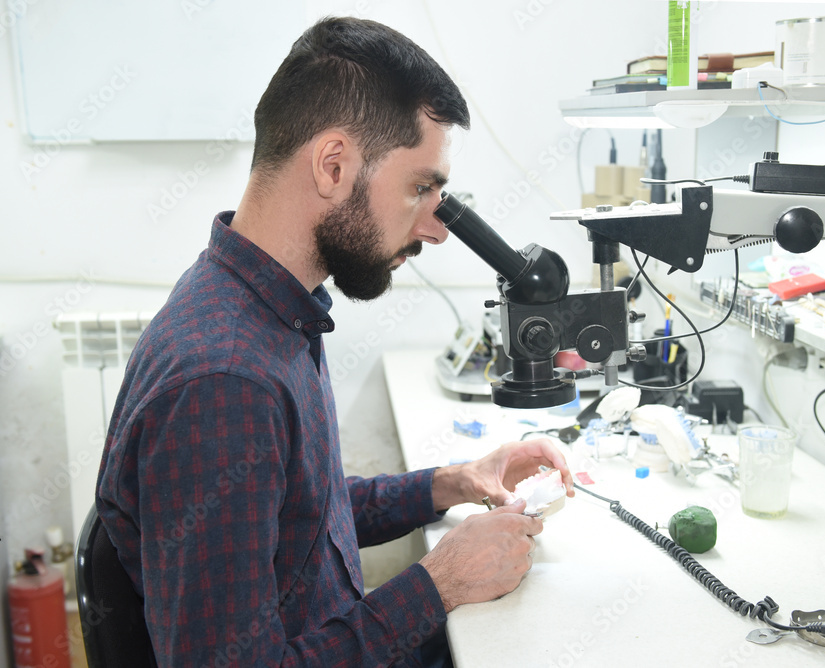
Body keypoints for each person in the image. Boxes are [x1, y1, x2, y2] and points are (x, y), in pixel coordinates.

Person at [96, 16, 574, 667]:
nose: (435, 229)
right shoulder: (225, 384)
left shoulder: (271, 309)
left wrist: (455, 481)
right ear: (333, 165)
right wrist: (442, 584)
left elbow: (303, 516)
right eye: (419, 188)